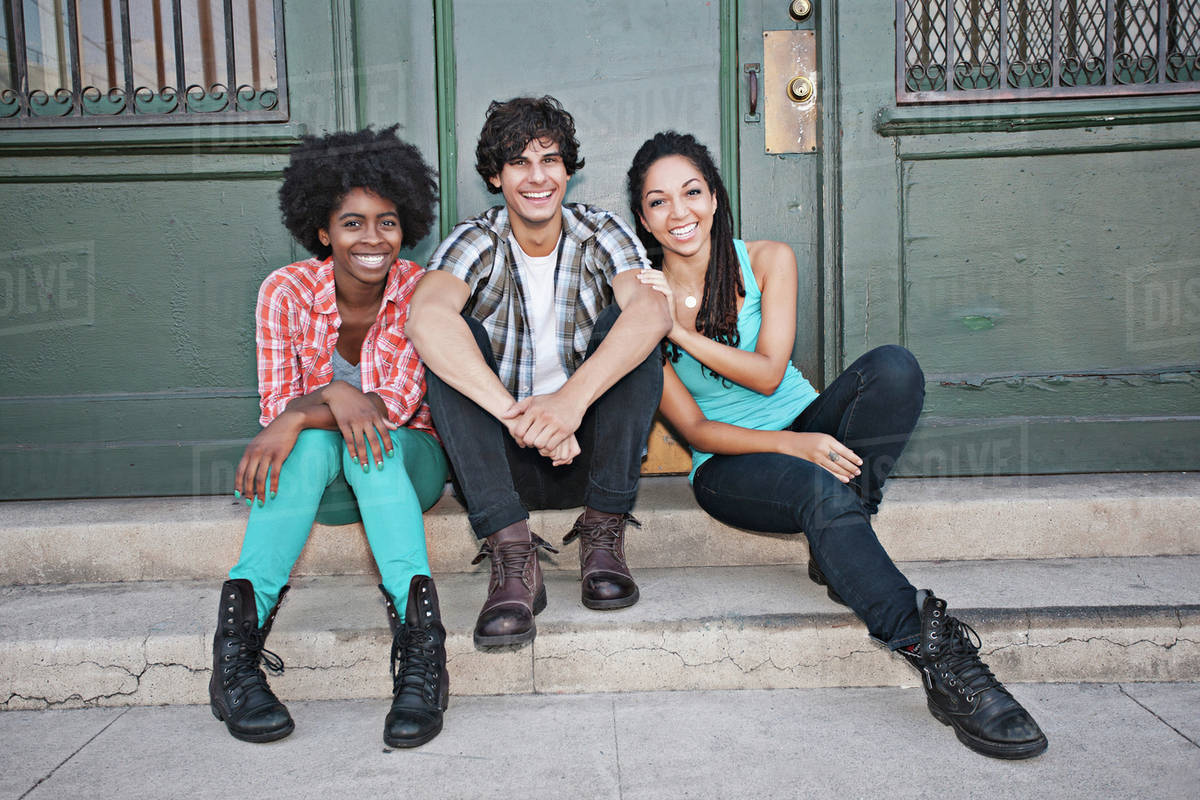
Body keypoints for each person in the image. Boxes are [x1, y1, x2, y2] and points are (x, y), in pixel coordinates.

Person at [626, 130, 1047, 760]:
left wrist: (677, 334)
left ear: (713, 198)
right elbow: (695, 430)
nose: (678, 212)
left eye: (691, 192)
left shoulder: (767, 258)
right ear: (643, 217)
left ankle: (838, 542)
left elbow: (769, 371)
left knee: (895, 368)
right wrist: (791, 448)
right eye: (658, 202)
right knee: (816, 486)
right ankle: (934, 650)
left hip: (810, 424)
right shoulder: (641, 297)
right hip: (730, 464)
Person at [209, 126, 450, 749]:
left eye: (388, 222)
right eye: (352, 223)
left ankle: (422, 657)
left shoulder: (419, 291)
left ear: (406, 226)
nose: (373, 238)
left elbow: (390, 408)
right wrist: (322, 406)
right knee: (316, 445)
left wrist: (299, 414)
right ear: (323, 230)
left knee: (366, 445)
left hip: (402, 466)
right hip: (317, 484)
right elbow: (275, 405)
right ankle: (236, 656)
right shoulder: (283, 292)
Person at [407, 96, 670, 648]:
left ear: (568, 172)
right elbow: (425, 318)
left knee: (634, 324)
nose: (536, 177)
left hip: (587, 456)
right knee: (454, 340)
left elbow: (653, 312)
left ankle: (602, 534)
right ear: (494, 176)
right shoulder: (474, 239)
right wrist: (521, 417)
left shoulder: (601, 232)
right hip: (503, 466)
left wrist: (567, 405)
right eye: (519, 163)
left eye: (549, 160)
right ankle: (512, 555)